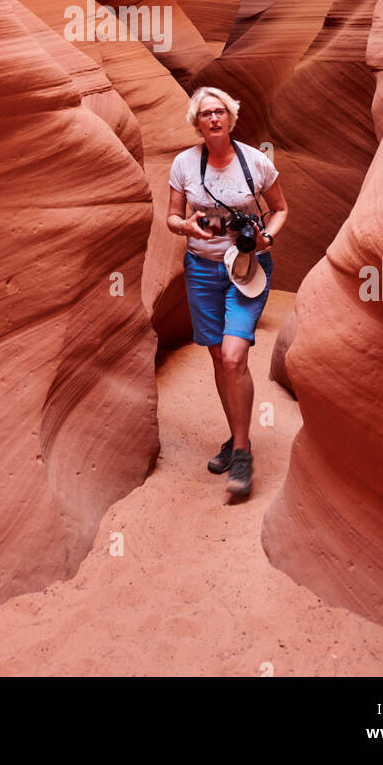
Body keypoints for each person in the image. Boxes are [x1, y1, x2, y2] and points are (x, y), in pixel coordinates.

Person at [166, 86, 288, 497]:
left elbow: (282, 208)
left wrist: (267, 237)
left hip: (246, 270)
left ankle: (240, 454)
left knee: (235, 355)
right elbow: (171, 216)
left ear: (231, 118)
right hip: (201, 270)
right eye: (206, 114)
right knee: (220, 358)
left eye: (220, 112)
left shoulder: (256, 162)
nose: (214, 119)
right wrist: (186, 227)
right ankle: (239, 439)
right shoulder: (184, 164)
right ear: (196, 122)